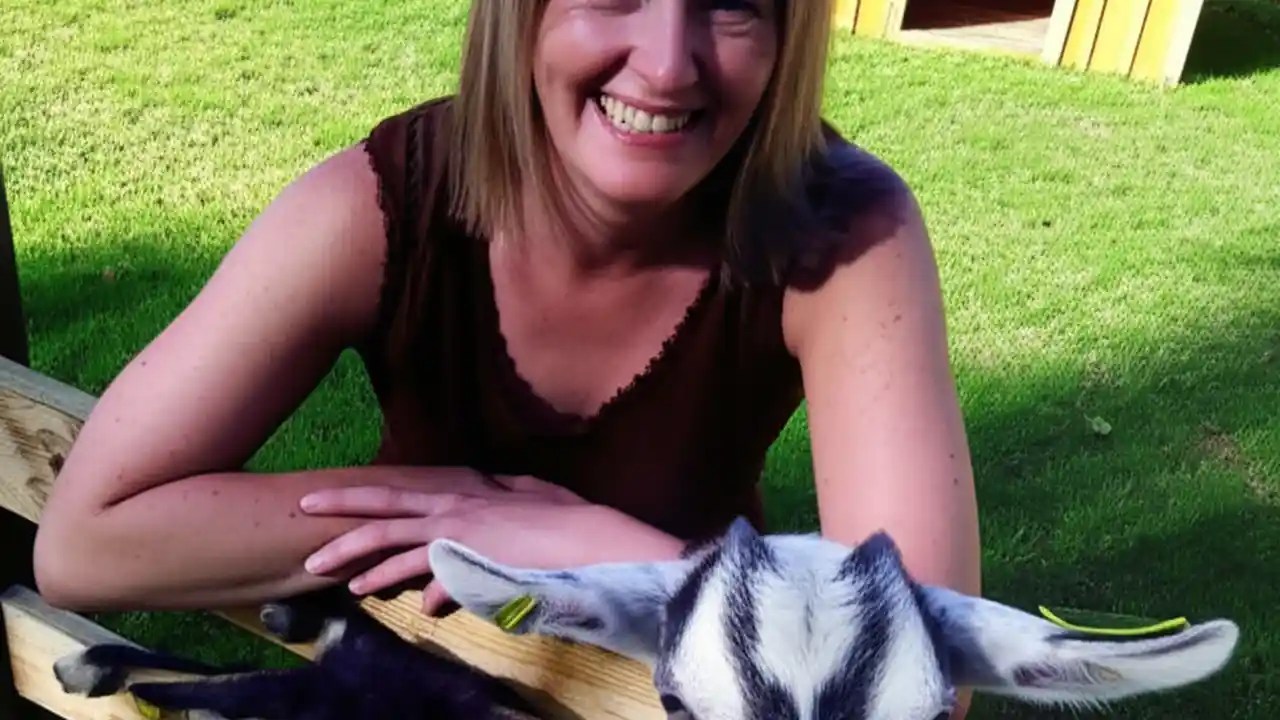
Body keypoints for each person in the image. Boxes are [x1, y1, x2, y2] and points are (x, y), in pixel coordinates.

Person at [35, 0, 979, 711]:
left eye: (731, 4)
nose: (666, 64)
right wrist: (457, 512)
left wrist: (587, 544)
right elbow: (84, 545)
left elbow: (926, 672)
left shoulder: (842, 232)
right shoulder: (384, 204)